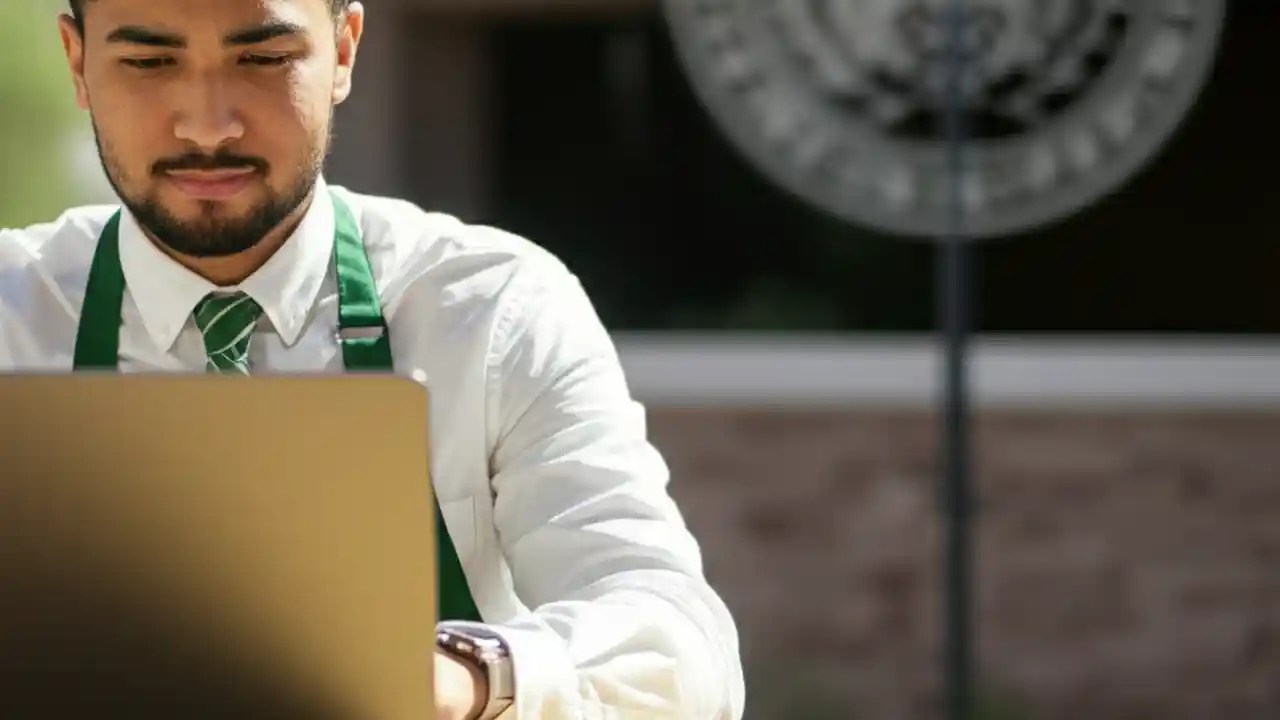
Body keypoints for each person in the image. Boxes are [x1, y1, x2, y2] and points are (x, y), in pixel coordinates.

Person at [0, 1, 745, 718]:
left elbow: (681, 649)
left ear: (345, 50)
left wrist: (464, 677)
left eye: (263, 57)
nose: (208, 125)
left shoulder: (494, 310)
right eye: (149, 61)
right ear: (77, 61)